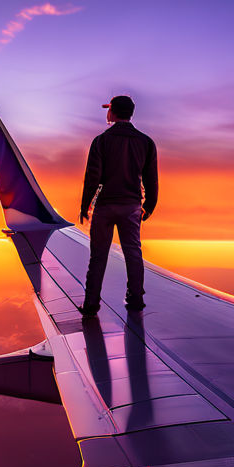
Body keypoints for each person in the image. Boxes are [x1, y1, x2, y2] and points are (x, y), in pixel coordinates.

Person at [78, 95, 158, 317]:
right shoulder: (146, 142)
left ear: (112, 112)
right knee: (133, 252)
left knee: (98, 256)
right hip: (131, 206)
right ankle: (136, 299)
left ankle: (91, 304)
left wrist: (85, 206)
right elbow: (151, 179)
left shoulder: (101, 141)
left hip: (105, 206)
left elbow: (92, 177)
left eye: (108, 109)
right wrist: (149, 206)